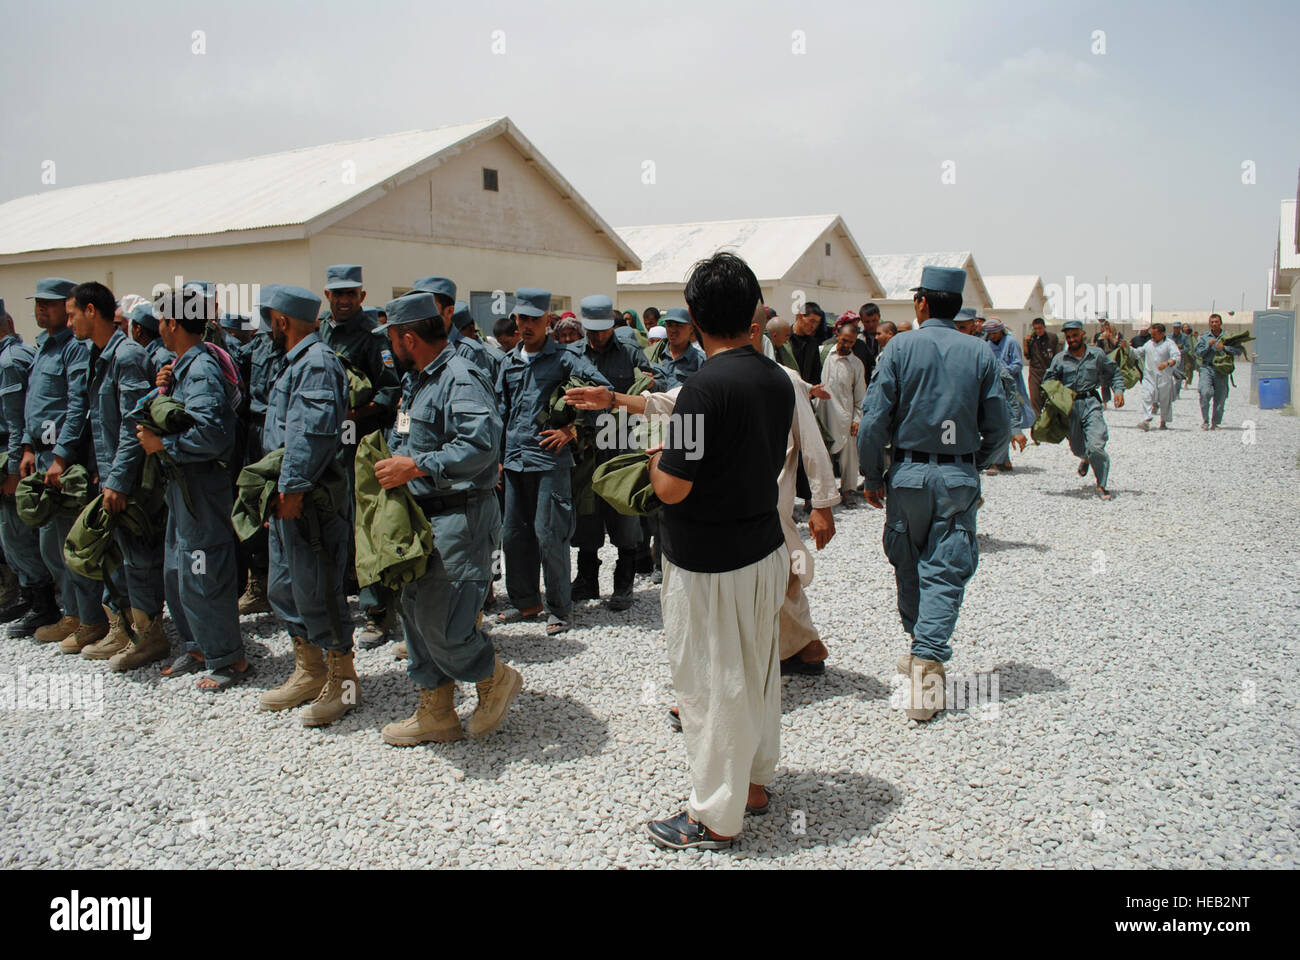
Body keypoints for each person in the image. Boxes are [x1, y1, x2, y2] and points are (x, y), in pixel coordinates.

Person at [644, 252, 792, 852]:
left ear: (697, 318)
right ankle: (753, 785)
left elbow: (672, 486)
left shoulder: (701, 389)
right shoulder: (774, 377)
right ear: (753, 311)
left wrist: (654, 455)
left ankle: (713, 816)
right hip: (762, 550)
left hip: (708, 562)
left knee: (708, 686)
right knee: (755, 673)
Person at [857, 265, 1010, 723]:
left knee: (908, 561)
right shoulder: (981, 353)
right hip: (956, 477)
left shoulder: (899, 347)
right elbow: (1000, 426)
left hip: (907, 475)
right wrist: (973, 464)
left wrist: (872, 476)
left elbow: (873, 421)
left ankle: (921, 651)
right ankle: (926, 660)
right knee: (945, 568)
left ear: (922, 302)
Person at [371, 293, 521, 744]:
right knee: (416, 616)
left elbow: (480, 448)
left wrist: (415, 467)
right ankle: (436, 712)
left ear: (409, 338)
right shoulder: (419, 378)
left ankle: (493, 677)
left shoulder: (460, 377)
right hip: (422, 516)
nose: (390, 346)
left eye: (393, 337)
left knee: (445, 622)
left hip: (459, 517)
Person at [137, 285, 251, 690]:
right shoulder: (184, 365)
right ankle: (200, 647)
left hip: (202, 489)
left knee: (206, 570)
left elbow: (215, 436)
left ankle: (228, 659)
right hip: (183, 489)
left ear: (170, 323)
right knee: (179, 571)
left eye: (162, 320)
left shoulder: (200, 369)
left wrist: (161, 444)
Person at [254, 285, 358, 724]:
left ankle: (345, 682)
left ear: (281, 322)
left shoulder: (315, 363)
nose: (268, 330)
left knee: (321, 591)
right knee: (286, 586)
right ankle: (311, 670)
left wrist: (292, 488)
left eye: (270, 322)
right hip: (287, 497)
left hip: (308, 499)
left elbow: (312, 432)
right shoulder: (295, 361)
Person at [496, 287, 611, 637]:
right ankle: (525, 601)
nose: (528, 325)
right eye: (522, 318)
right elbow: (501, 410)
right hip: (514, 461)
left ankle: (559, 608)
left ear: (548, 320)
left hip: (549, 462)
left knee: (550, 535)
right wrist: (497, 459)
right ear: (515, 320)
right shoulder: (508, 361)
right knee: (514, 536)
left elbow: (602, 394)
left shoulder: (564, 359)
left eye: (535, 319)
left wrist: (573, 431)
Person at [68, 281, 165, 663]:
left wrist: (119, 479)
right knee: (116, 555)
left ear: (92, 311)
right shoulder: (100, 354)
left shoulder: (125, 356)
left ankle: (149, 636)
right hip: (109, 473)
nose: (70, 320)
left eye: (73, 312)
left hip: (130, 479)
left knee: (137, 559)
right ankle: (122, 629)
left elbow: (132, 425)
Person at [18, 278, 109, 650]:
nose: (42, 310)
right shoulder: (44, 348)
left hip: (64, 463)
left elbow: (77, 408)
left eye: (51, 305)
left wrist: (60, 458)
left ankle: (91, 619)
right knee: (49, 545)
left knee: (73, 544)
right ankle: (72, 614)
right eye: (38, 303)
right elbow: (34, 403)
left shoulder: (74, 349)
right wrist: (27, 446)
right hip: (41, 456)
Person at [318, 265, 402, 647]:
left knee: (366, 524)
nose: (345, 300)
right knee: (329, 522)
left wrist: (352, 413)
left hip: (361, 443)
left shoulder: (373, 337)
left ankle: (377, 612)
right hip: (325, 444)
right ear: (328, 296)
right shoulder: (319, 331)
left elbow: (389, 392)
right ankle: (335, 602)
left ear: (362, 296)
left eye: (351, 293)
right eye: (338, 294)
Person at [569, 295, 653, 611]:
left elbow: (650, 389)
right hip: (586, 448)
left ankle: (623, 584)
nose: (597, 336)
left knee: (623, 513)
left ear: (612, 325)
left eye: (603, 330)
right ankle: (587, 580)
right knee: (586, 515)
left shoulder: (630, 353)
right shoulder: (574, 354)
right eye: (592, 331)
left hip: (620, 444)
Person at [0, 304, 53, 630]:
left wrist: (11, 467)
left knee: (16, 535)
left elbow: (16, 420)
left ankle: (42, 603)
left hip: (13, 458)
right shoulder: (18, 354)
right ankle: (31, 596)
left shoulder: (10, 361)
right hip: (16, 454)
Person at [1042, 319, 1125, 500]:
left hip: (1091, 403)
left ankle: (1101, 485)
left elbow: (1114, 372)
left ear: (1083, 335)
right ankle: (1085, 458)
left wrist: (1118, 391)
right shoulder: (1059, 359)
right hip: (1070, 408)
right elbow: (1048, 383)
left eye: (1074, 335)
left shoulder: (1097, 355)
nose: (1071, 339)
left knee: (1096, 445)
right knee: (1079, 449)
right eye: (1068, 336)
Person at [816, 317, 866, 504]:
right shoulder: (822, 354)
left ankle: (847, 491)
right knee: (822, 454)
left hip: (845, 417)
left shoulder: (856, 364)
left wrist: (857, 419)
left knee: (849, 457)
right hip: (823, 413)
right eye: (844, 340)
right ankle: (825, 494)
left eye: (851, 342)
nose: (847, 345)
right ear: (837, 335)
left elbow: (861, 396)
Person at [983, 318, 1033, 472]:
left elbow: (1018, 364)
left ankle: (998, 461)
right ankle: (1003, 460)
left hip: (1011, 387)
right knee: (997, 422)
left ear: (1001, 330)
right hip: (994, 388)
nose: (993, 336)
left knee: (1008, 420)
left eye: (995, 332)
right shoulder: (987, 345)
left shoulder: (1011, 342)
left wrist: (1003, 372)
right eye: (990, 333)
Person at [1196, 313, 1245, 430]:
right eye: (1212, 322)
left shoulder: (1228, 336)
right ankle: (1205, 421)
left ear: (1220, 323)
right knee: (1205, 392)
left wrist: (1224, 348)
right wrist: (1208, 345)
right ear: (1209, 324)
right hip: (1207, 368)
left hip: (1221, 370)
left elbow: (1239, 350)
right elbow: (1198, 352)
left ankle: (1215, 422)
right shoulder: (1203, 337)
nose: (1214, 324)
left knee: (1220, 397)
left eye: (1216, 322)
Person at [1130, 323, 1181, 431]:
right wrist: (1127, 347)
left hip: (1164, 377)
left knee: (1164, 401)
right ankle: (1147, 420)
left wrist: (1167, 363)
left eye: (1154, 335)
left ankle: (1163, 422)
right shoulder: (1149, 343)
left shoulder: (1169, 344)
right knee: (1147, 396)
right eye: (1151, 335)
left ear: (1162, 334)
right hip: (1149, 376)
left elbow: (1176, 356)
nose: (1152, 337)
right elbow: (1138, 353)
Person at [650, 308, 703, 390]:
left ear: (691, 328)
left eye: (679, 325)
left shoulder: (700, 360)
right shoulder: (654, 354)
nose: (673, 330)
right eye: (669, 325)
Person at [128, 302, 175, 379]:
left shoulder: (162, 359)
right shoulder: (147, 355)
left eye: (132, 327)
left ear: (138, 329)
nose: (131, 330)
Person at [1023, 317, 1058, 417]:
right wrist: (1026, 344)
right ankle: (1037, 428)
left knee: (1050, 403)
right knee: (1035, 401)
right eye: (1036, 328)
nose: (1038, 331)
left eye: (1040, 328)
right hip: (1035, 374)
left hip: (1049, 374)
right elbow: (1027, 356)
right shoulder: (1031, 340)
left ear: (1044, 327)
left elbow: (1057, 356)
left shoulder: (1052, 338)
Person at [1093, 320, 1121, 405]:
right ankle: (1105, 401)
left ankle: (1117, 397)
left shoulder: (1118, 335)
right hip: (1104, 360)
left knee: (1115, 380)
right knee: (1103, 381)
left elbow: (1117, 345)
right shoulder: (1099, 335)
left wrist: (1110, 337)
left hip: (1114, 359)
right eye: (1105, 327)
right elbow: (1097, 347)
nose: (1106, 328)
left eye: (1108, 327)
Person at [854, 303, 883, 380]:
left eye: (874, 320)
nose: (871, 325)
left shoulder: (886, 339)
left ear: (879, 317)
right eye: (867, 322)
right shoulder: (857, 340)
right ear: (862, 321)